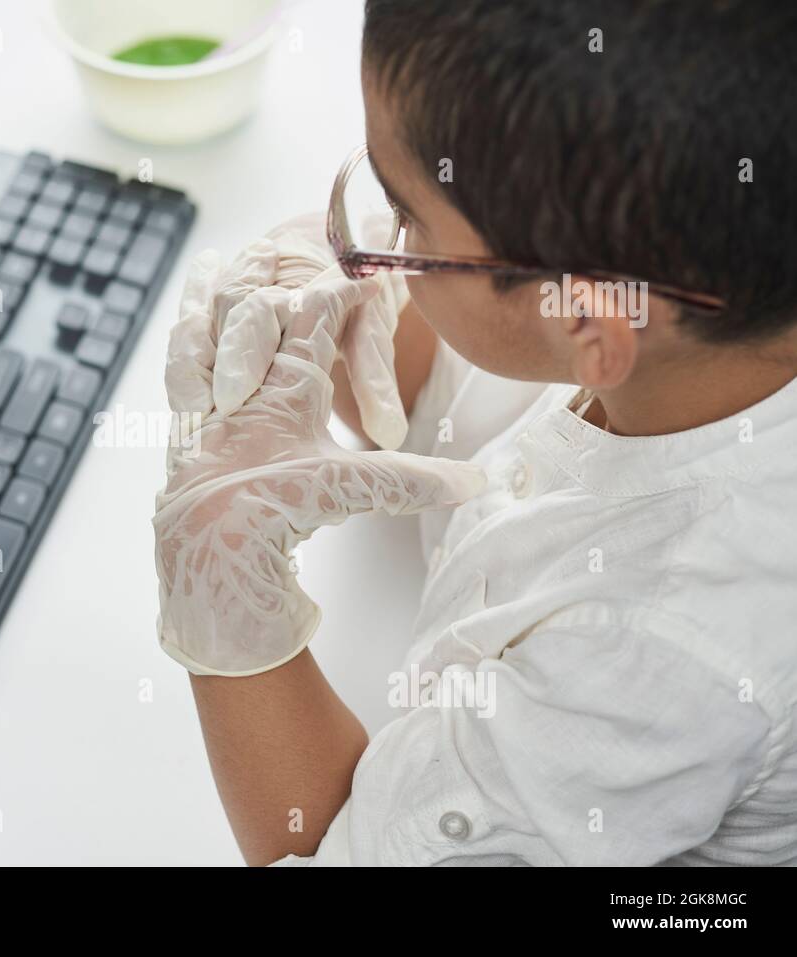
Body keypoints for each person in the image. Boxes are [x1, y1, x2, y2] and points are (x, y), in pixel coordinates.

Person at [153, 0, 797, 866]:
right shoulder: (677, 321)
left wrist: (222, 590)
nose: (383, 242)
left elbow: (333, 852)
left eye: (404, 215)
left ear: (587, 324)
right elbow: (456, 383)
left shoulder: (656, 654)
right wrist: (320, 295)